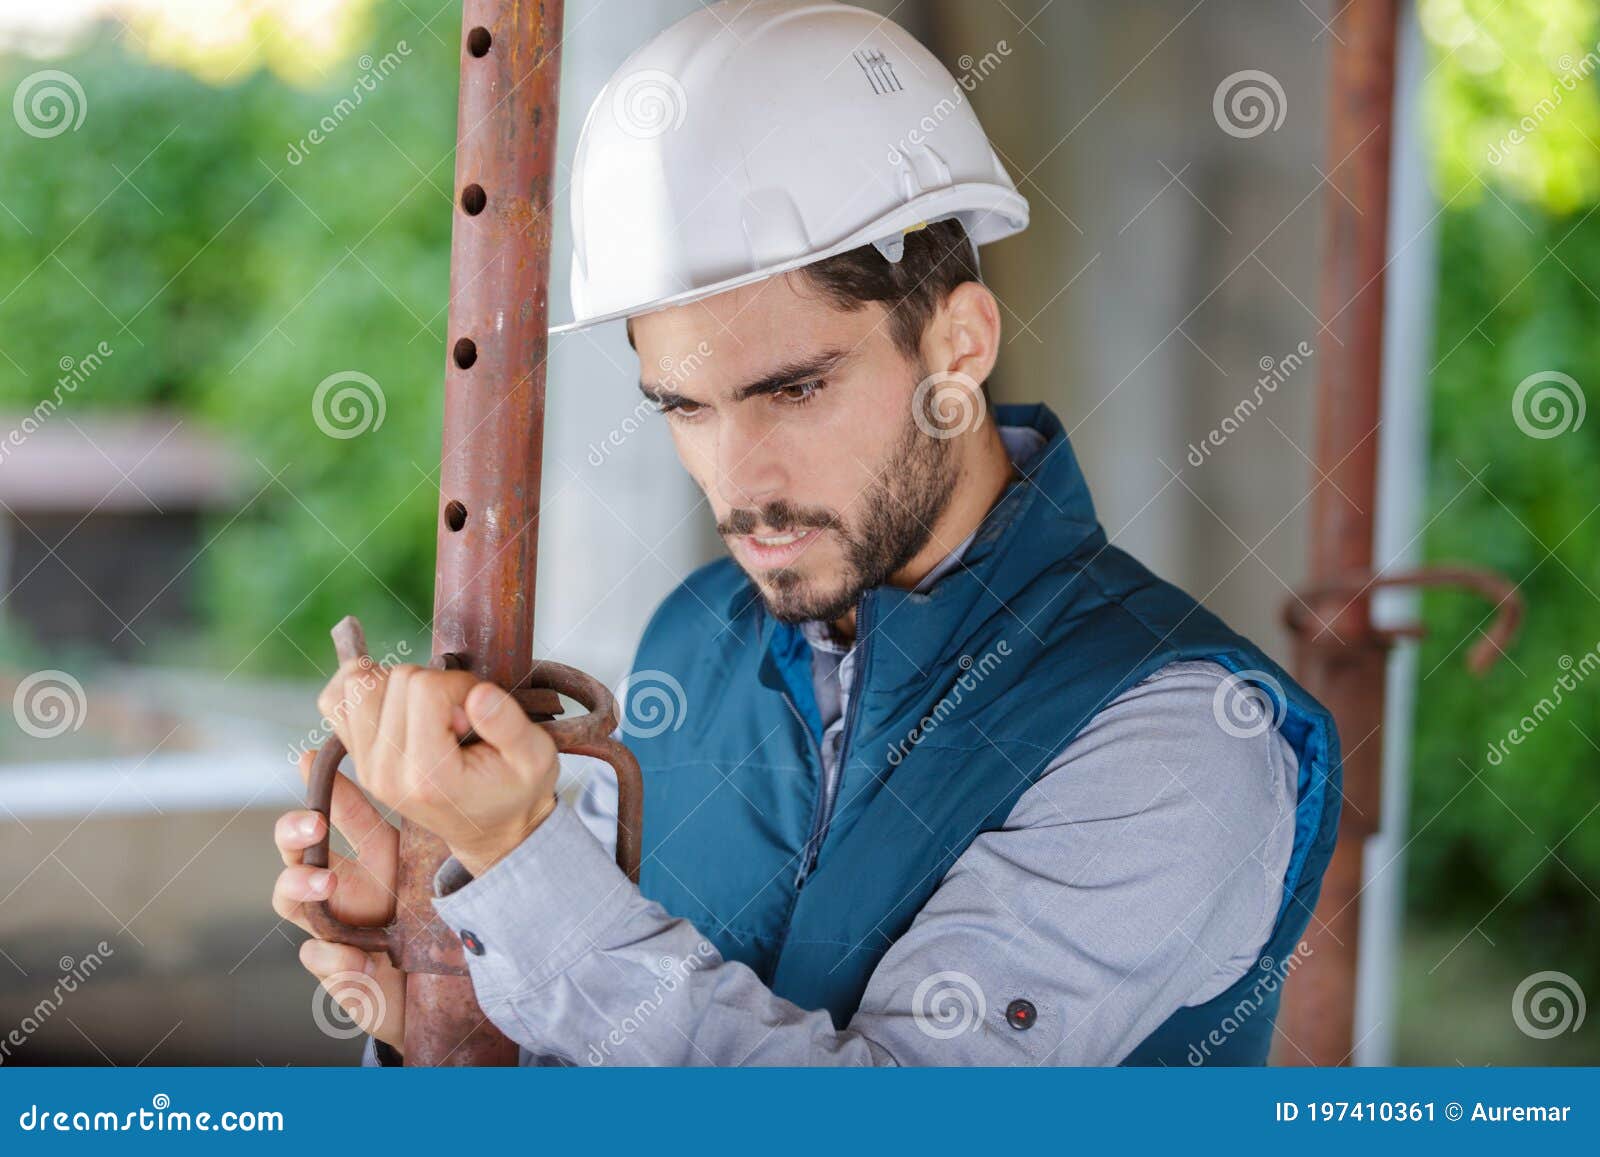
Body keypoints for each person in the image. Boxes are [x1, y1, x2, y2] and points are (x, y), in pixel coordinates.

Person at [270, 0, 1340, 1066]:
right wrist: (452, 1014)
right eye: (684, 406)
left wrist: (515, 856)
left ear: (957, 345)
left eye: (793, 389)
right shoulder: (692, 641)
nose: (739, 482)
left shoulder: (1183, 734)